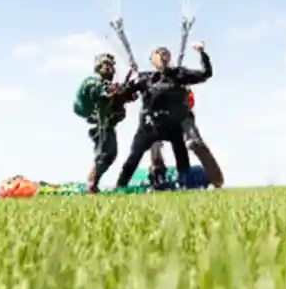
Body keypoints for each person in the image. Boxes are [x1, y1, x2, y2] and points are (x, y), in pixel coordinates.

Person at [113, 42, 212, 190]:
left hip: (172, 124)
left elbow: (206, 74)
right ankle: (120, 186)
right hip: (149, 126)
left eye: (165, 55)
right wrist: (124, 85)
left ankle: (185, 183)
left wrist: (202, 53)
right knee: (134, 155)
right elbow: (124, 93)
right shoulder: (145, 78)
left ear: (169, 58)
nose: (162, 59)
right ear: (153, 61)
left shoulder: (180, 75)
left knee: (181, 153)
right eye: (158, 56)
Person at [73, 52, 135, 193]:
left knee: (109, 154)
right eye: (104, 65)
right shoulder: (93, 82)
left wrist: (125, 94)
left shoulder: (107, 84)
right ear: (98, 67)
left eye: (110, 65)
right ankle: (91, 185)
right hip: (98, 123)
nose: (107, 68)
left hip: (106, 123)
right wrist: (117, 92)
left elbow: (115, 100)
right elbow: (103, 92)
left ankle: (92, 184)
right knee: (105, 154)